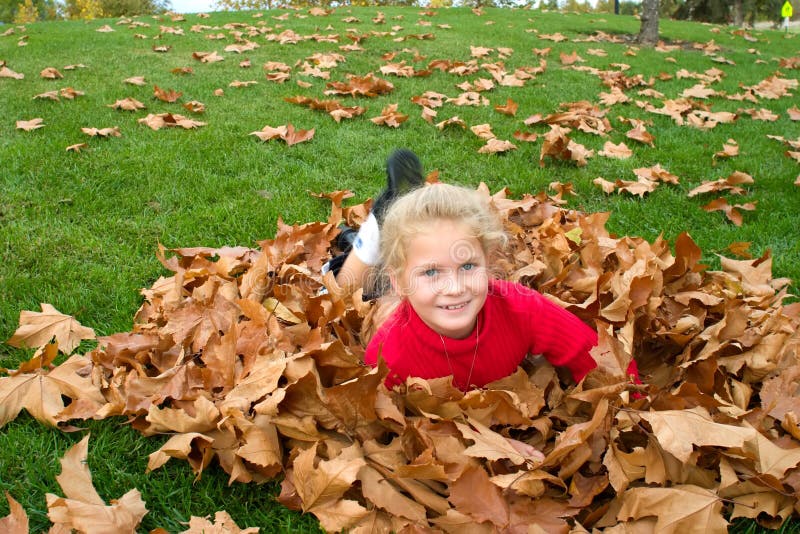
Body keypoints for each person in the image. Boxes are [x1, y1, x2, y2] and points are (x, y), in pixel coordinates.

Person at [361, 182, 602, 391]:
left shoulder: (522, 308)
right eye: (431, 272)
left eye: (467, 266)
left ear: (487, 263)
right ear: (399, 282)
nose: (455, 288)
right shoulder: (387, 356)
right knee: (352, 282)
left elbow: (597, 360)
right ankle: (367, 236)